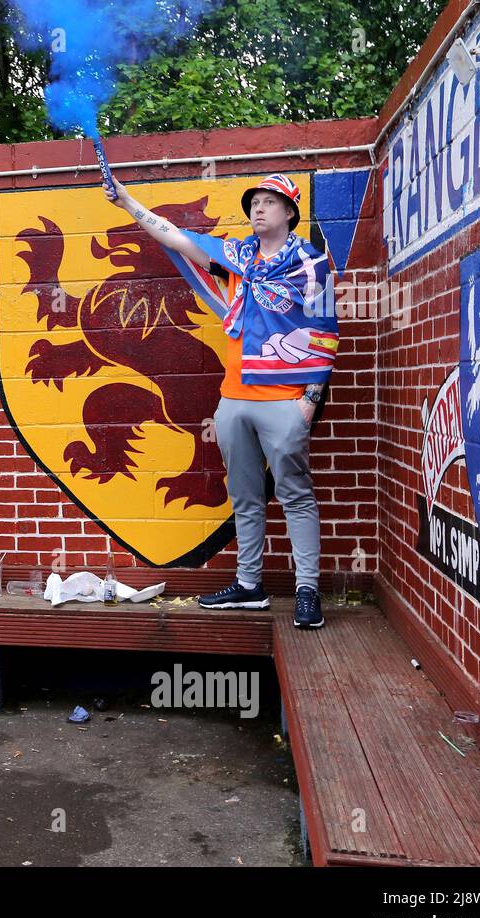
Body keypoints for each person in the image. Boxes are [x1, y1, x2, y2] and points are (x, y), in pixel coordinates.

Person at [106, 173, 338, 628]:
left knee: (296, 495)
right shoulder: (237, 257)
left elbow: (326, 332)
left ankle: (307, 590)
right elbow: (176, 237)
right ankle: (249, 587)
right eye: (255, 202)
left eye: (270, 202)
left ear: (290, 212)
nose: (259, 209)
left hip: (285, 398)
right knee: (245, 496)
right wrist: (128, 203)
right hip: (233, 398)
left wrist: (310, 399)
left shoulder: (310, 264)